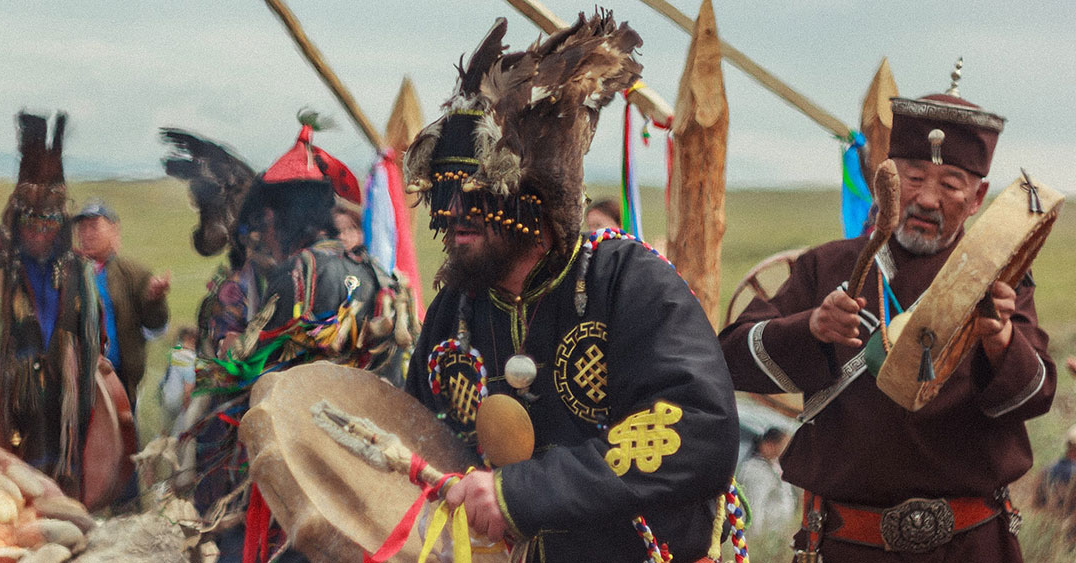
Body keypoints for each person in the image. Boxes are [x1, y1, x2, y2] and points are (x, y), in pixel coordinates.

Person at [401, 14, 738, 563]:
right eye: (445, 196)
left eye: (476, 197)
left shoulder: (631, 281)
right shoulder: (454, 309)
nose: (454, 214)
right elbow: (414, 435)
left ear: (532, 203)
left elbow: (695, 430)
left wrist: (519, 494)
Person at [719, 68, 1057, 562]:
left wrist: (1000, 341)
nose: (925, 198)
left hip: (972, 546)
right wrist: (811, 329)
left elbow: (1037, 395)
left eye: (950, 183)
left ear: (979, 198)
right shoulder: (826, 266)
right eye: (913, 177)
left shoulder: (1003, 284)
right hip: (845, 545)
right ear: (885, 181)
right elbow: (731, 356)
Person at [163, 113, 410, 561]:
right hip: (368, 460)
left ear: (276, 217)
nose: (262, 234)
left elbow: (249, 380)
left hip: (301, 470)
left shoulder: (296, 277)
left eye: (265, 221)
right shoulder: (379, 273)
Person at [0, 112, 134, 506]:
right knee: (1, 511)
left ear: (62, 222)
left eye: (49, 222)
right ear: (16, 216)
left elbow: (98, 342)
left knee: (58, 515)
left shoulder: (78, 271)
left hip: (62, 421)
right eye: (31, 221)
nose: (40, 232)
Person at [73, 198, 171, 407]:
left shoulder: (133, 274)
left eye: (94, 226)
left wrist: (155, 300)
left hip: (119, 379)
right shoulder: (67, 273)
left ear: (113, 229)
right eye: (82, 228)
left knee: (122, 434)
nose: (86, 233)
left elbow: (156, 328)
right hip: (75, 379)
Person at [736, 428, 797, 536]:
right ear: (768, 445)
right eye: (783, 446)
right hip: (763, 536)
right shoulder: (755, 471)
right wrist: (756, 540)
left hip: (777, 535)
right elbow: (754, 508)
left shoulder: (775, 466)